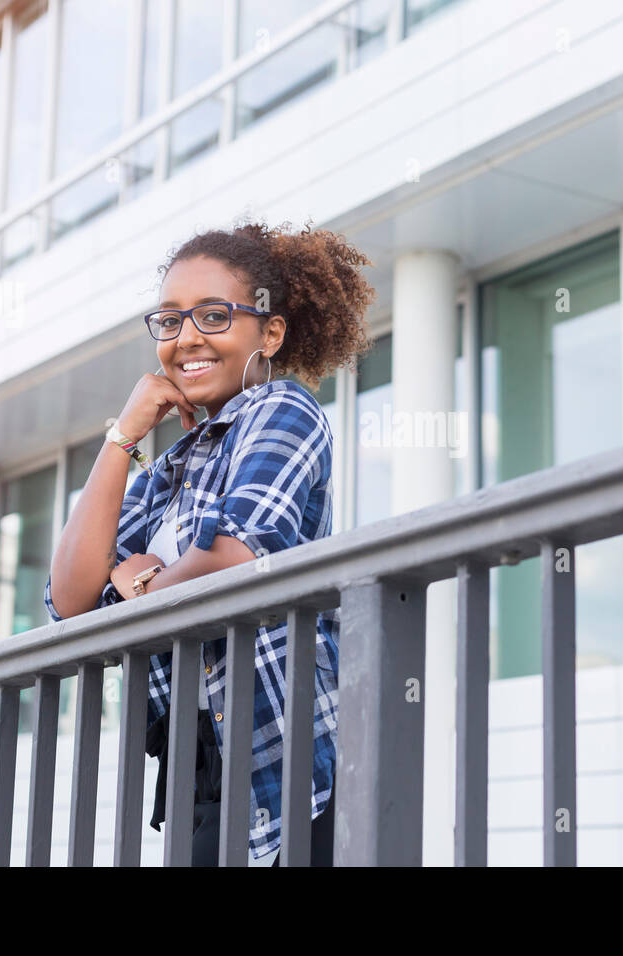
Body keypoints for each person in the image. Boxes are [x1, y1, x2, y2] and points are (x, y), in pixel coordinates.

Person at [44, 217, 375, 865]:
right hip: (199, 767)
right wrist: (122, 438)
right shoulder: (168, 470)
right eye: (169, 321)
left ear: (269, 332)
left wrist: (137, 587)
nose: (186, 337)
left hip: (287, 762)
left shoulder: (284, 409)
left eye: (214, 316)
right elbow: (70, 600)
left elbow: (234, 555)